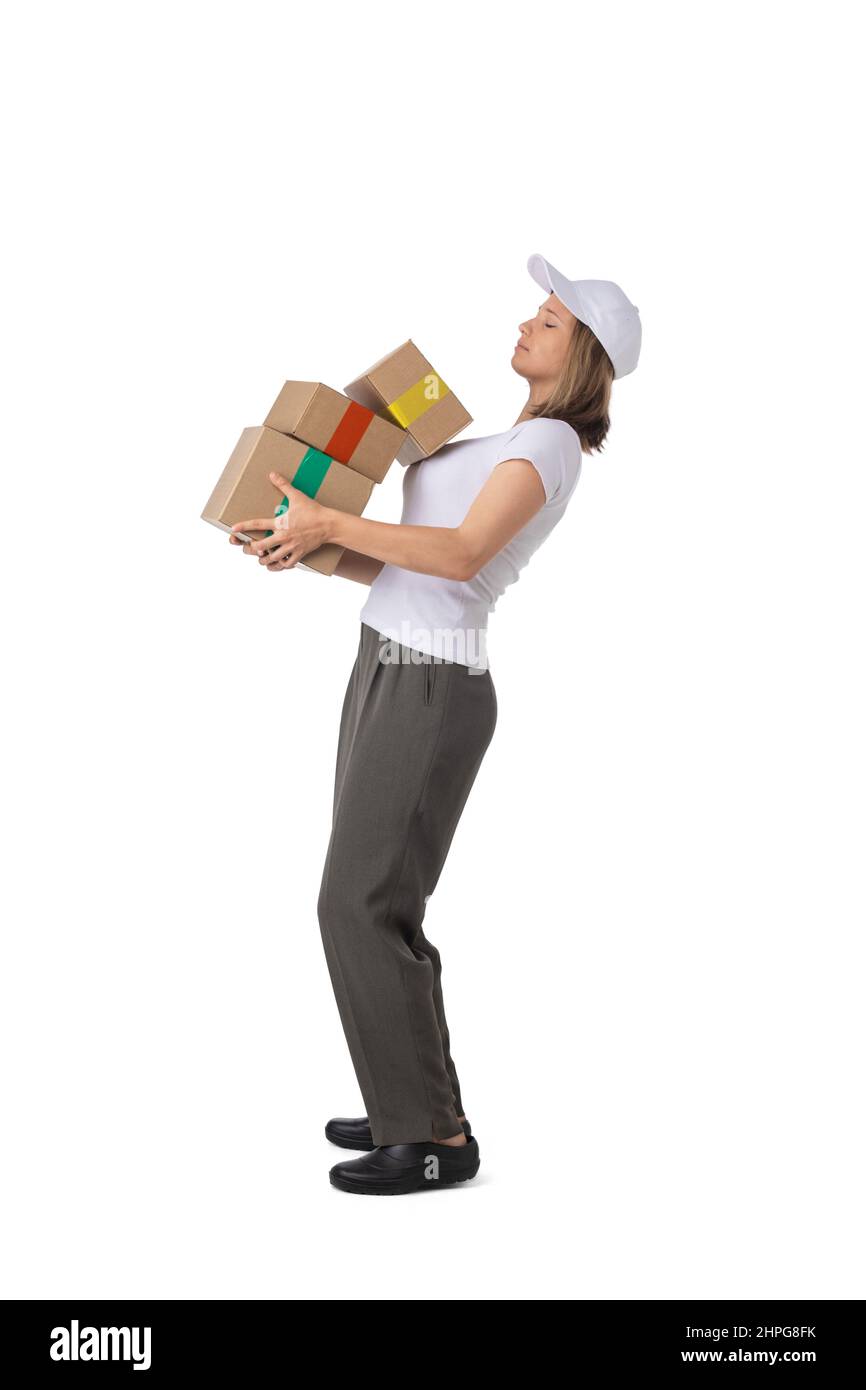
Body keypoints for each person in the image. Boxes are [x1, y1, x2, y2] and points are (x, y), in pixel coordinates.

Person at [230, 254, 642, 1195]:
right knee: (375, 899)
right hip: (385, 661)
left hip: (432, 684)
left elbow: (457, 558)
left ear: (582, 354)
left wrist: (335, 515)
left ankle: (432, 1141)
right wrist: (311, 547)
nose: (528, 324)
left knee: (358, 904)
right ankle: (405, 1100)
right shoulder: (500, 438)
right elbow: (408, 569)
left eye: (549, 319)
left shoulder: (551, 448)